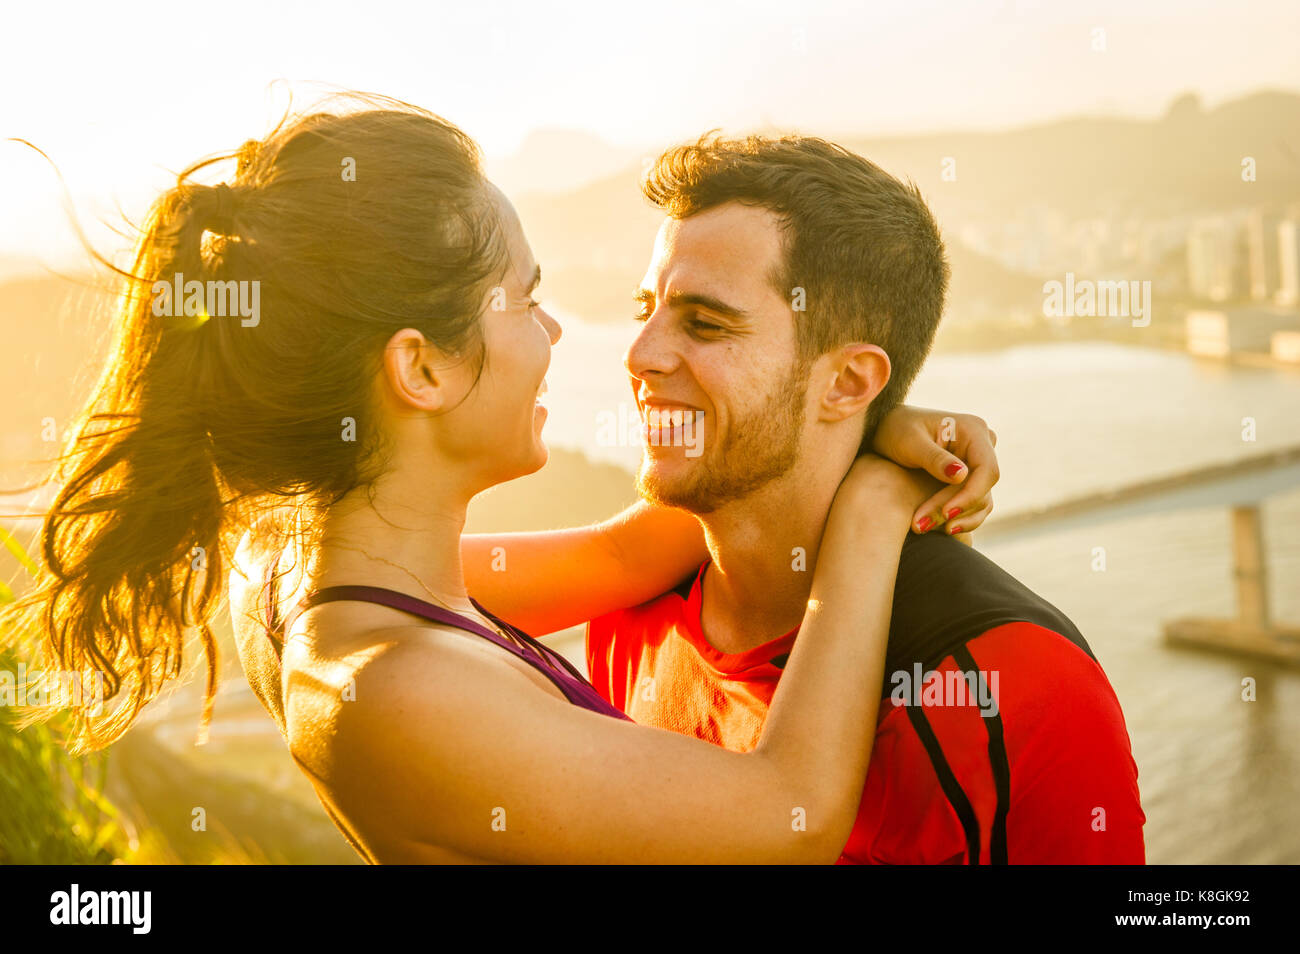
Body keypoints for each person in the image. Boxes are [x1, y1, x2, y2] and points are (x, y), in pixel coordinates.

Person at [7, 94, 1001, 864]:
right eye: (524, 299)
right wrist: (871, 503)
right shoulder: (393, 694)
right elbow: (791, 813)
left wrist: (839, 415)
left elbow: (628, 549)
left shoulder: (309, 567)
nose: (559, 334)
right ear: (421, 369)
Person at [564, 133, 1146, 864]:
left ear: (848, 383)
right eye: (644, 308)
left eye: (704, 323)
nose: (639, 354)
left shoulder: (1021, 684)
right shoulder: (630, 612)